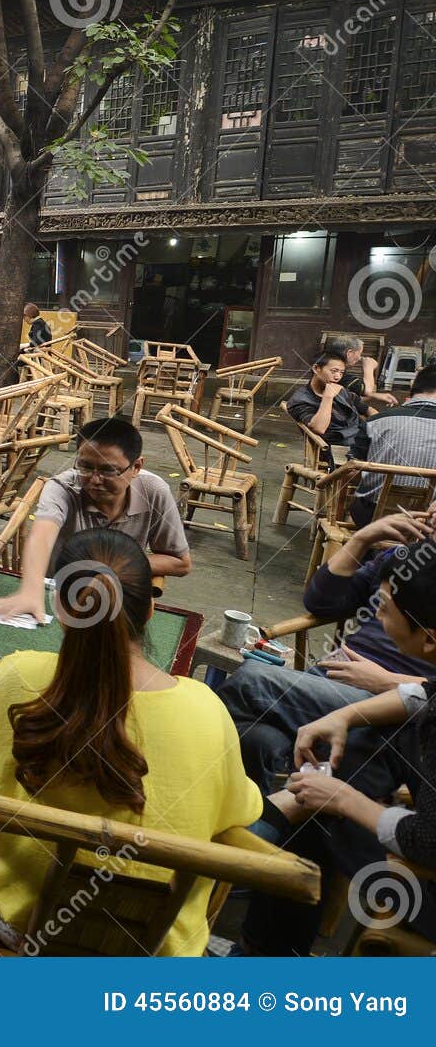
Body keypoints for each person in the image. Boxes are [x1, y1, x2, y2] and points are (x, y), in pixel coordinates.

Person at [0, 529, 262, 956]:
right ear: (152, 609)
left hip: (26, 928)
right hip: (158, 949)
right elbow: (239, 811)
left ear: (61, 609)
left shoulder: (20, 678)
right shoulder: (208, 710)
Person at [237, 540, 436, 955]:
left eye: (384, 608)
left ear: (429, 640)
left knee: (325, 803)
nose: (376, 615)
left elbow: (428, 842)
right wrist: (343, 717)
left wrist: (344, 799)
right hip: (398, 794)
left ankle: (246, 851)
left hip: (425, 886)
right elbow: (427, 695)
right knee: (311, 761)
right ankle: (266, 945)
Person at [218, 509, 436, 796]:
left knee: (252, 680)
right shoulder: (403, 560)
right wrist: (361, 539)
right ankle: (255, 820)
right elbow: (320, 603)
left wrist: (389, 681)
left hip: (393, 702)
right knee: (259, 739)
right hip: (328, 682)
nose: (431, 516)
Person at [0, 416, 192, 622]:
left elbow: (180, 563)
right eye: (86, 466)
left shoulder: (153, 491)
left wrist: (106, 566)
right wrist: (30, 592)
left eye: (108, 470)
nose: (94, 479)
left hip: (117, 598)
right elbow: (41, 535)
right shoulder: (63, 488)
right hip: (60, 592)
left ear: (136, 467)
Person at [350, 362, 436, 525]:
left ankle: (364, 546)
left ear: (414, 388)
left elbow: (352, 471)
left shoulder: (376, 422)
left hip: (372, 517)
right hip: (428, 523)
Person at [286, 349, 370, 461]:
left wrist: (378, 426)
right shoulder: (300, 400)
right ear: (316, 368)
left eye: (341, 372)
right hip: (337, 449)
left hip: (362, 441)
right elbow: (319, 428)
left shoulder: (342, 391)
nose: (337, 377)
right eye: (334, 371)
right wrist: (328, 397)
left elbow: (368, 409)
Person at [327, 335, 397, 410]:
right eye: (359, 353)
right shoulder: (341, 376)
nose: (360, 358)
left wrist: (375, 395)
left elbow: (350, 397)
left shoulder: (326, 365)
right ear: (349, 353)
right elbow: (368, 390)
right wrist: (369, 368)